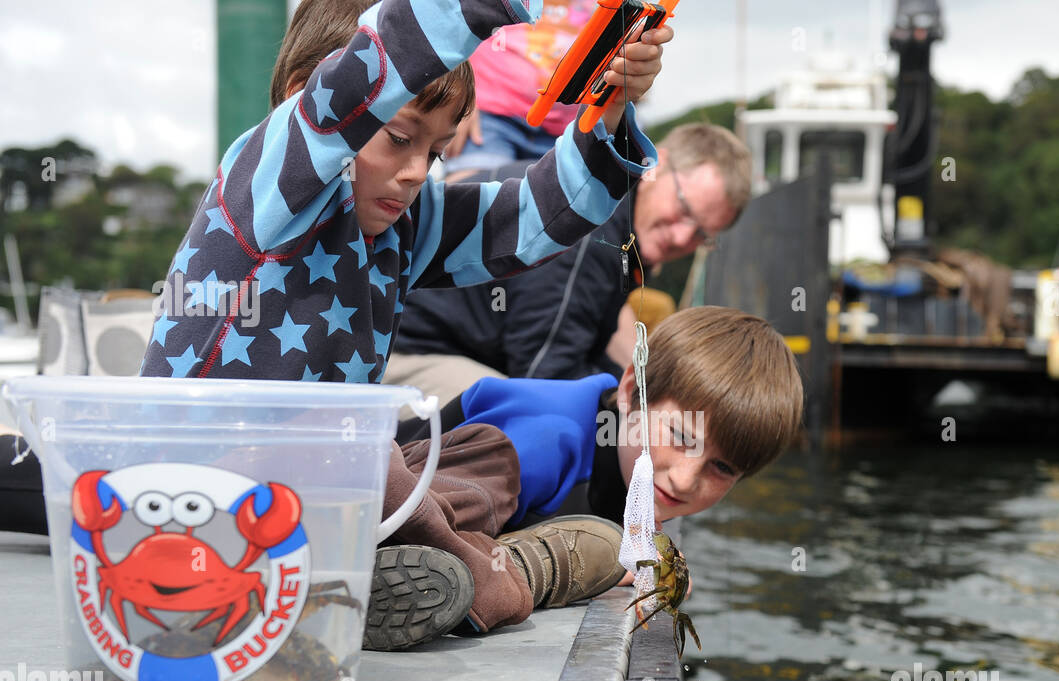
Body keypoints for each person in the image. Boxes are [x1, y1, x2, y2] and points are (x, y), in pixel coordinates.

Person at [136, 0, 674, 647]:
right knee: (368, 454)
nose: (417, 169)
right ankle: (494, 573)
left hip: (326, 489)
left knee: (481, 447)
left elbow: (535, 219)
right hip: (194, 501)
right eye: (398, 136)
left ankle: (380, 565)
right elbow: (366, 77)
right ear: (305, 100)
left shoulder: (403, 222)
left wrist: (608, 106)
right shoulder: (270, 177)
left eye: (437, 148)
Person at [383, 307, 804, 643]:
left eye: (723, 468)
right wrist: (597, 562)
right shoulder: (546, 436)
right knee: (491, 472)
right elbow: (400, 511)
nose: (685, 480)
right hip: (378, 492)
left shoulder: (636, 469)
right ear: (629, 392)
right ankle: (505, 573)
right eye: (679, 435)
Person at [384, 122, 753, 407]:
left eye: (701, 234)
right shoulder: (589, 234)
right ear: (660, 163)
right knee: (522, 419)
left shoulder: (616, 222)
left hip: (436, 344)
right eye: (684, 209)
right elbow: (545, 377)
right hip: (392, 351)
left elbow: (575, 352)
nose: (680, 237)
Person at [441, 0, 600, 180]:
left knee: (554, 202)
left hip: (568, 130)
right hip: (490, 117)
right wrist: (459, 96)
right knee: (468, 192)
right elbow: (453, 21)